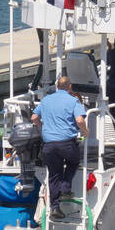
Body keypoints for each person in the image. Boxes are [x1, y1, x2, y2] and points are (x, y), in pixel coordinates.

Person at [32, 76, 88, 219]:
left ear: (57, 87)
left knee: (54, 174)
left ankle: (55, 207)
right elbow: (80, 120)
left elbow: (33, 118)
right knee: (73, 161)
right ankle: (65, 189)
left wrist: (42, 127)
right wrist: (85, 131)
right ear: (69, 87)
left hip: (49, 145)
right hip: (67, 143)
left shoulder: (45, 100)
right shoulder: (73, 100)